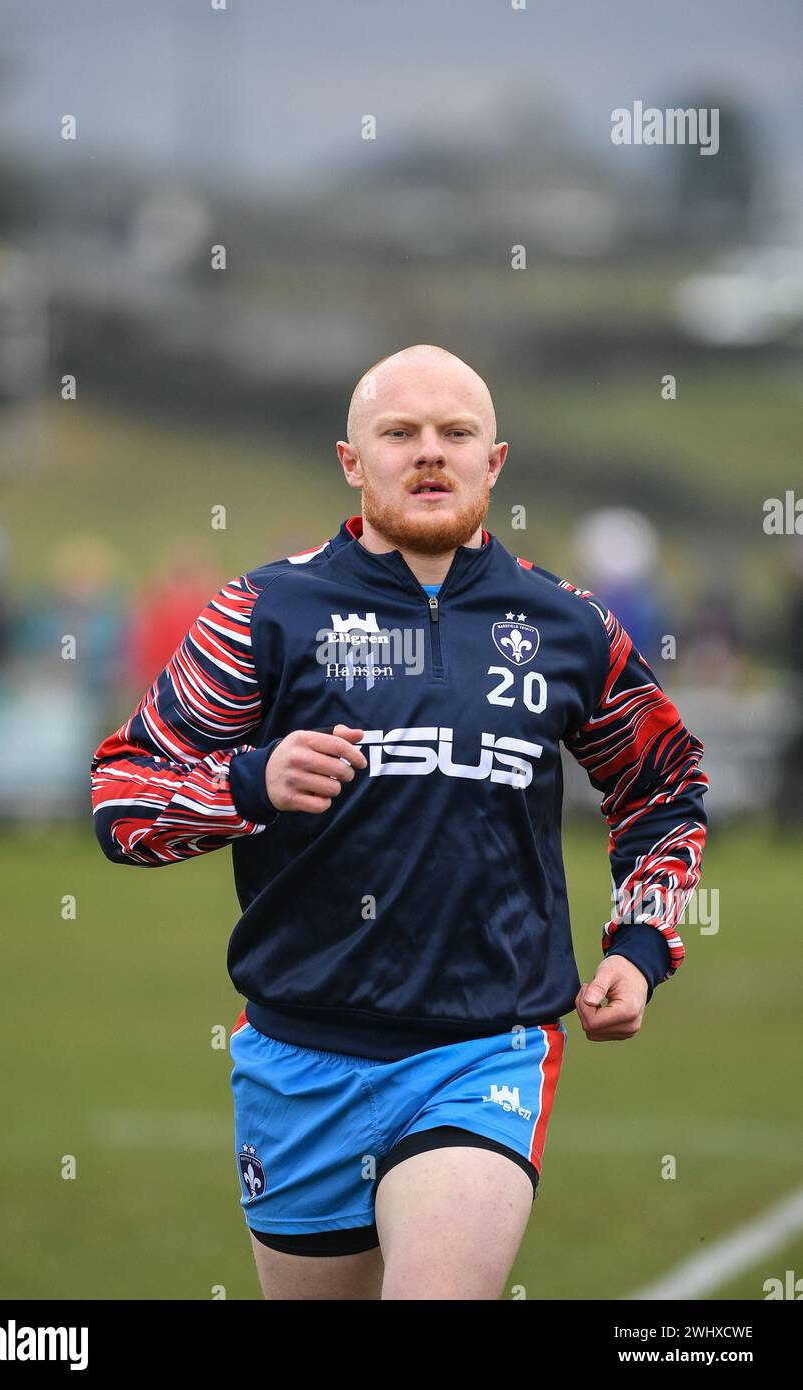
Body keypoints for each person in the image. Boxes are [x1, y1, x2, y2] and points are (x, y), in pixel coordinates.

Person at [90, 344, 709, 1300]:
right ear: (352, 460)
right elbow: (124, 796)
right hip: (298, 1058)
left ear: (493, 462)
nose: (431, 452)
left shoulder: (567, 625)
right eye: (401, 433)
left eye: (456, 433)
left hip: (483, 1051)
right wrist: (251, 785)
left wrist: (640, 941)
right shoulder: (264, 611)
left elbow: (663, 785)